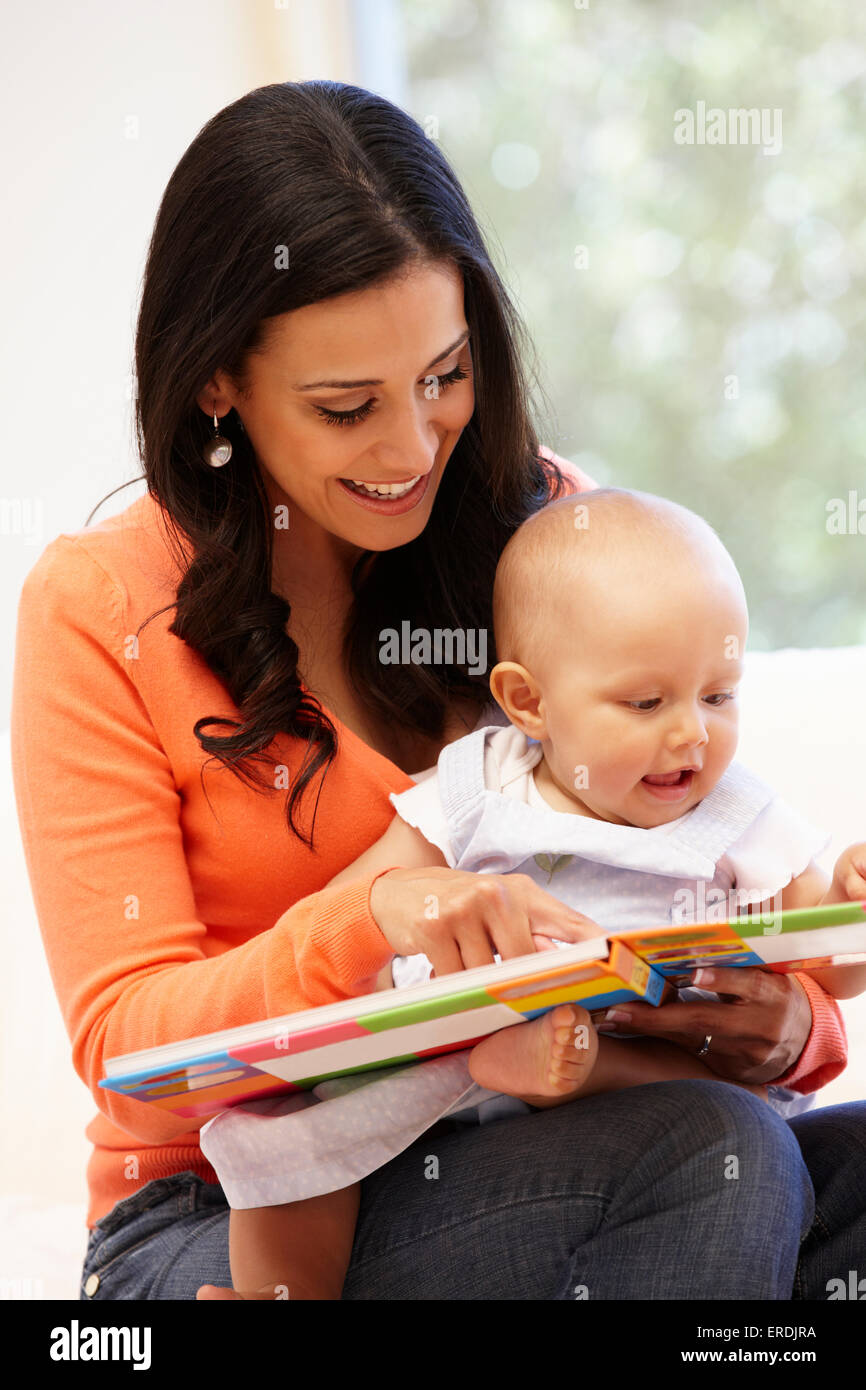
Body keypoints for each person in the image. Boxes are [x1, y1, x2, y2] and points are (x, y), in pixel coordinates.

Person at [10, 80, 861, 1302]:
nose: (413, 448)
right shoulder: (100, 606)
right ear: (216, 385)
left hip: (565, 1125)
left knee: (773, 1154)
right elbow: (127, 1042)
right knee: (709, 1161)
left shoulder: (544, 535)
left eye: (444, 375)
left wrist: (784, 1026)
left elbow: (694, 843)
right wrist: (374, 917)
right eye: (345, 405)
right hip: (237, 1210)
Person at [195, 487, 866, 1300]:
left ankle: (573, 1070)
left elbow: (825, 958)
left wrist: (853, 902)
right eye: (646, 703)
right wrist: (408, 916)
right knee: (301, 1141)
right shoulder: (482, 786)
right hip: (453, 1074)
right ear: (528, 703)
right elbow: (361, 901)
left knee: (726, 1114)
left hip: (643, 1069)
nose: (692, 732)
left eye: (719, 695)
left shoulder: (734, 810)